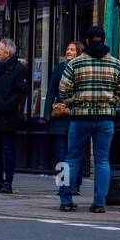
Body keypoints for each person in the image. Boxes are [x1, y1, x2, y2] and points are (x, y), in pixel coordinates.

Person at [57, 24, 120, 214]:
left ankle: (65, 199)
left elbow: (63, 91)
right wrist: (112, 102)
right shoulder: (116, 64)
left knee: (71, 159)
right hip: (105, 119)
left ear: (87, 41)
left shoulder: (75, 64)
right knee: (102, 161)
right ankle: (99, 202)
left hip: (79, 119)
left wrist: (75, 103)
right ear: (104, 41)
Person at [0, 37, 29, 194]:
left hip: (6, 117)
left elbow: (20, 93)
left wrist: (5, 107)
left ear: (7, 53)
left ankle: (7, 183)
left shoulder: (19, 70)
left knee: (8, 150)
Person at [44, 41, 85, 187]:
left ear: (79, 52)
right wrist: (47, 112)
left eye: (72, 50)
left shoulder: (83, 68)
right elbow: (51, 91)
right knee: (61, 154)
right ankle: (63, 186)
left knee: (74, 154)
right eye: (67, 49)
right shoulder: (59, 68)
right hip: (60, 118)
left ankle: (74, 185)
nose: (68, 51)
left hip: (77, 117)